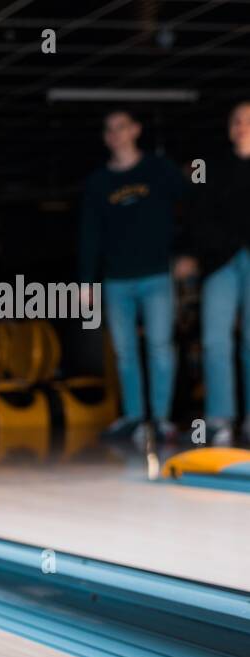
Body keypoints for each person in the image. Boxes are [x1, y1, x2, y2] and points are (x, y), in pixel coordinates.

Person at [78, 108, 184, 446]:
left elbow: (190, 206)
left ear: (135, 130)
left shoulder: (158, 169)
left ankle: (161, 419)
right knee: (124, 352)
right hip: (116, 279)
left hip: (156, 274)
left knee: (159, 347)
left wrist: (185, 254)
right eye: (109, 129)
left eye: (121, 127)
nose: (115, 134)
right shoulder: (98, 183)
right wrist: (86, 281)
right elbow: (89, 234)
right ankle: (135, 417)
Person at [175, 101, 250, 447]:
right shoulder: (212, 167)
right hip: (220, 263)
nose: (241, 125)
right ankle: (220, 417)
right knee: (214, 340)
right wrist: (195, 253)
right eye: (236, 120)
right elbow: (197, 215)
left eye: (248, 120)